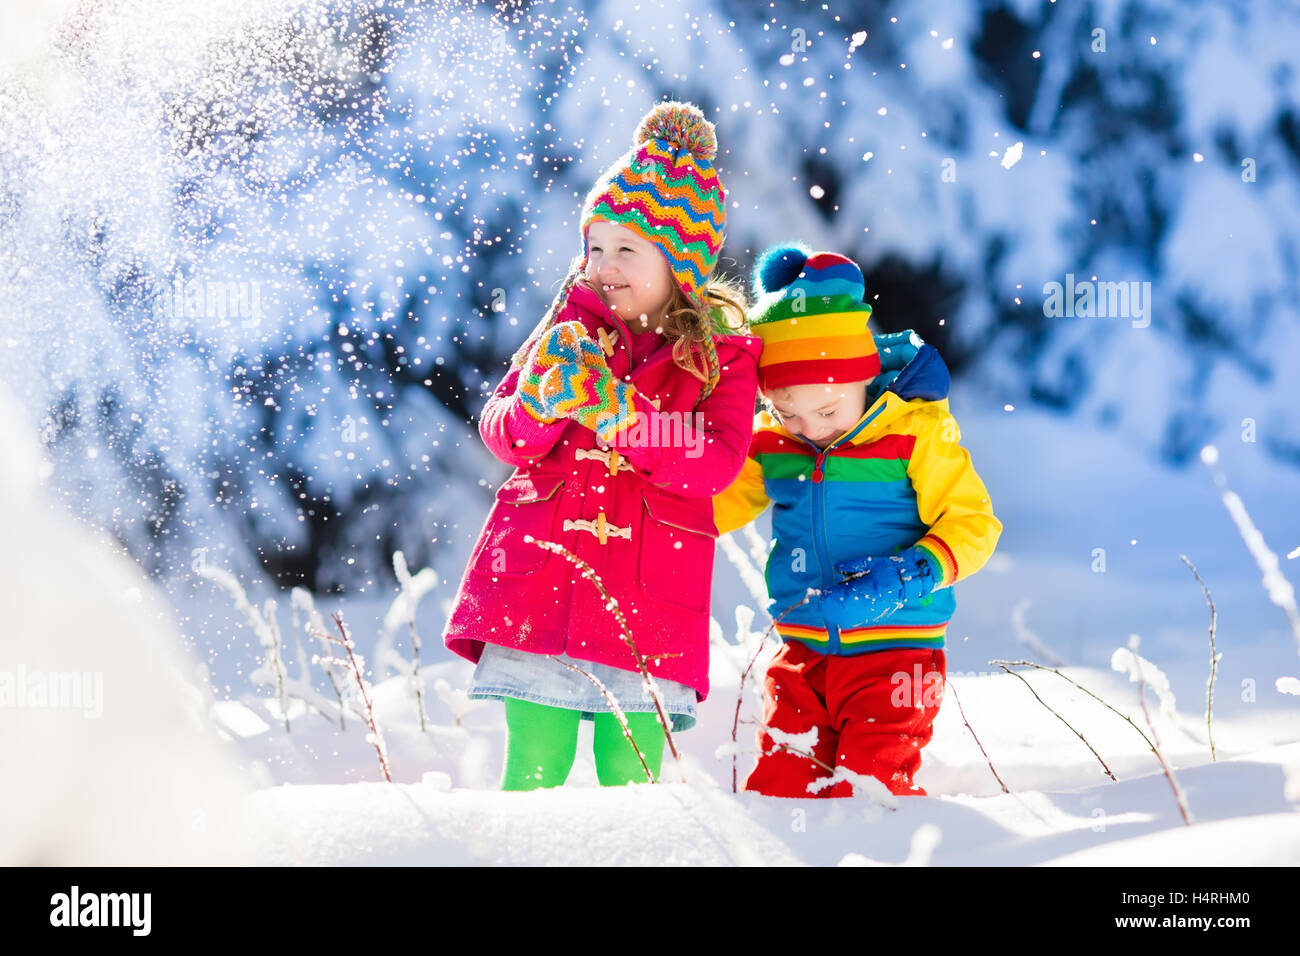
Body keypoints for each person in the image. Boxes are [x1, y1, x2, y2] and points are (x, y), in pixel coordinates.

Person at [441, 101, 761, 789]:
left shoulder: (723, 357)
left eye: (627, 250)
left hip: (649, 608)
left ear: (681, 262)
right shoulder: (568, 325)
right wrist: (539, 407)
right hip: (539, 593)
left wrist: (624, 421)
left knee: (632, 779)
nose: (604, 265)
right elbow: (502, 428)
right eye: (595, 245)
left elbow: (717, 456)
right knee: (533, 767)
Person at [713, 244, 1002, 797]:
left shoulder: (912, 434)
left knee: (871, 790)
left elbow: (975, 523)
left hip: (897, 654)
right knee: (779, 789)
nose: (810, 428)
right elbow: (714, 506)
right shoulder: (774, 444)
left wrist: (910, 574)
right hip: (802, 652)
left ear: (862, 379)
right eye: (786, 411)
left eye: (826, 411)